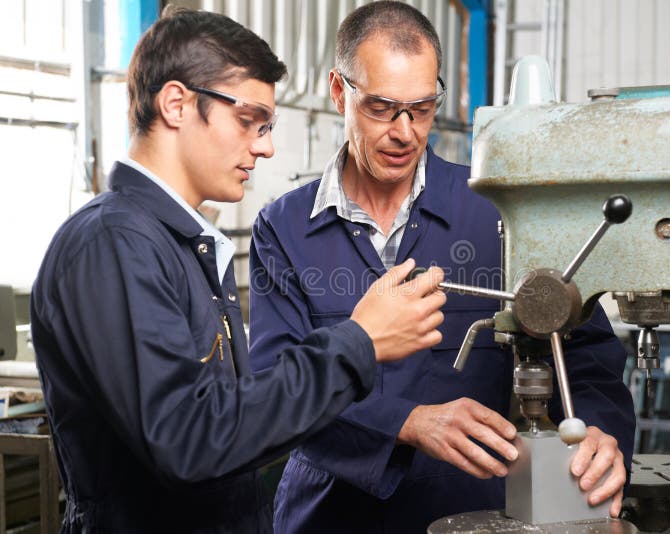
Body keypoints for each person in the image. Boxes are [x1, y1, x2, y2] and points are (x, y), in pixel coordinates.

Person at [29, 6, 447, 533]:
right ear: (177, 103)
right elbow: (189, 439)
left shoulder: (181, 245)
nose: (266, 146)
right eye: (249, 120)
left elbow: (234, 418)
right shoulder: (113, 244)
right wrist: (358, 342)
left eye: (268, 126)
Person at [248, 2, 636, 533]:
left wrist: (598, 434)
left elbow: (587, 357)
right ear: (340, 91)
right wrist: (406, 423)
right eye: (383, 108)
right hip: (329, 516)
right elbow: (275, 392)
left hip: (478, 515)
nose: (406, 132)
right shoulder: (285, 229)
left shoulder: (501, 213)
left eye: (423, 108)